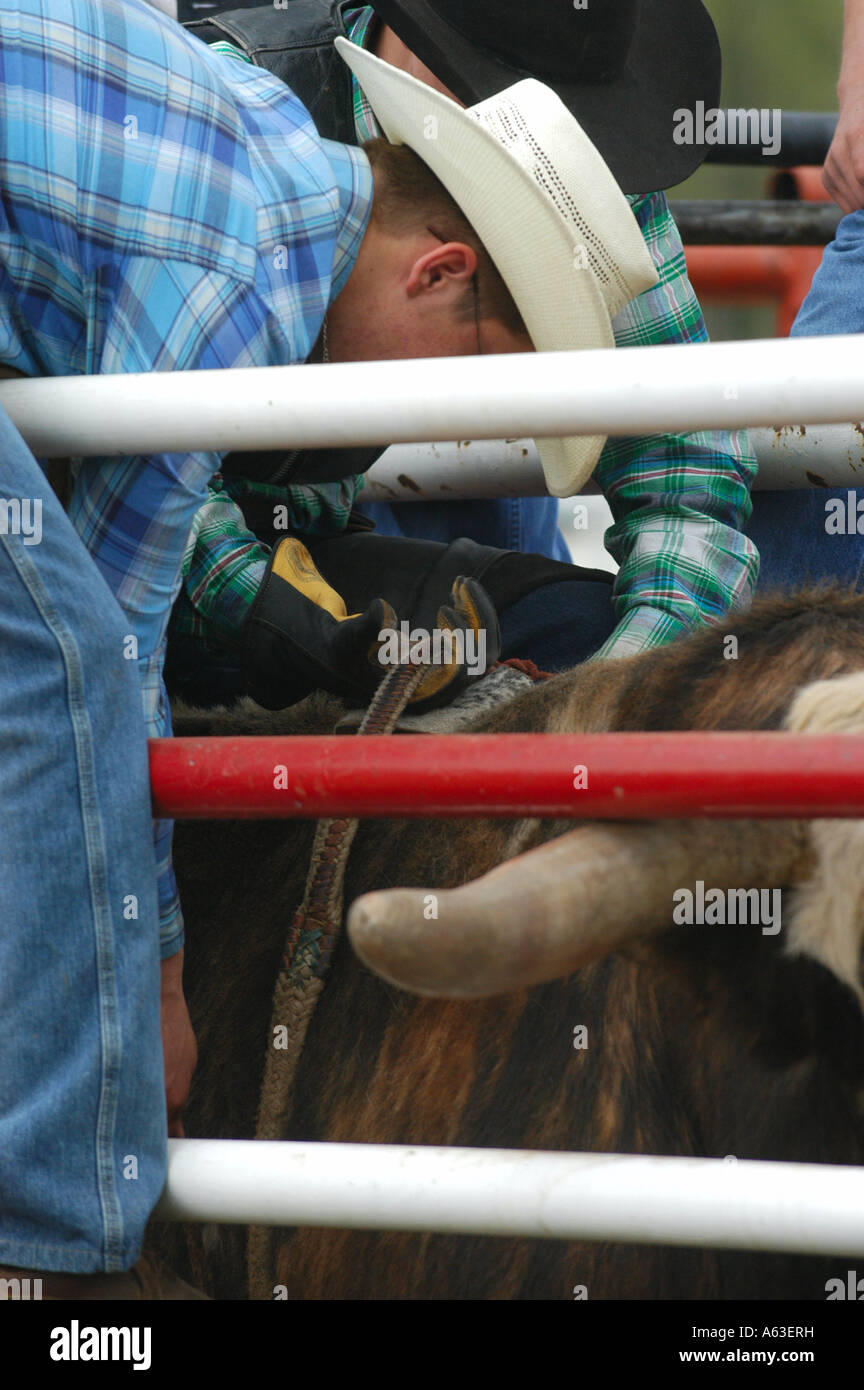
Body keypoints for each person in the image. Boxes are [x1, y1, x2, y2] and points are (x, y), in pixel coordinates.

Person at [0, 0, 665, 1297]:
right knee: (60, 657)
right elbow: (116, 642)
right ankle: (49, 1250)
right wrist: (157, 985)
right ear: (439, 272)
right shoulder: (236, 280)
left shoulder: (268, 147)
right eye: (468, 380)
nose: (438, 430)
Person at [167, 0, 758, 705]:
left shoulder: (580, 169)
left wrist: (618, 697)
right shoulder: (227, 120)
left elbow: (681, 464)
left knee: (572, 626)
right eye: (527, 101)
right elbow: (129, 472)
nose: (551, 145)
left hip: (295, 553)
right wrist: (272, 612)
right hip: (150, 561)